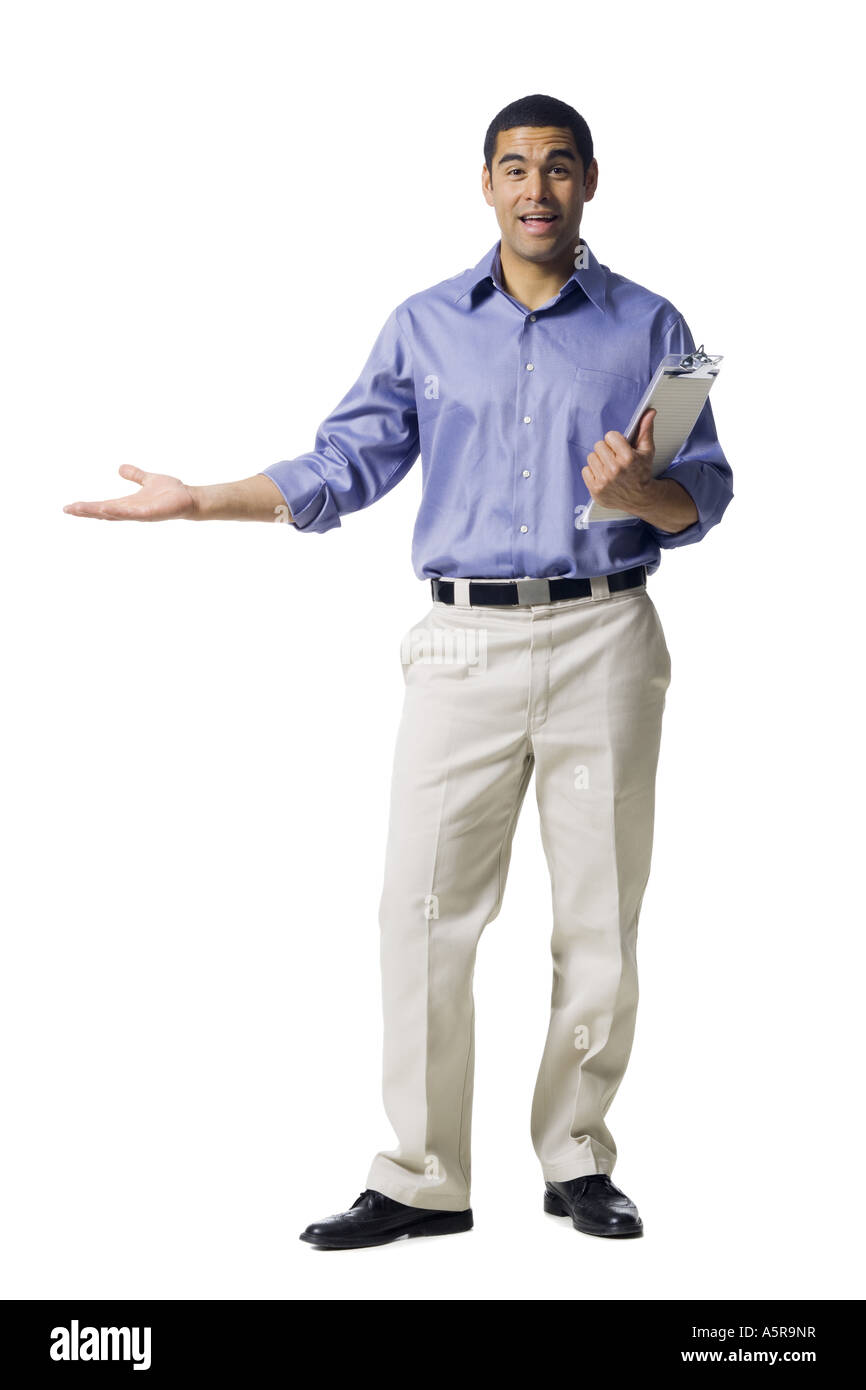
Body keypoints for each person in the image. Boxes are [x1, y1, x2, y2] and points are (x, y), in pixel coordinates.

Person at [64, 93, 733, 1251]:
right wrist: (199, 500)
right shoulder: (424, 325)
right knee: (417, 912)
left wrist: (639, 498)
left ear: (588, 183)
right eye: (513, 167)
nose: (535, 188)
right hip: (459, 644)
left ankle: (576, 1155)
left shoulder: (652, 326)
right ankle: (424, 1175)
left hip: (604, 637)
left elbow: (701, 497)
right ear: (484, 185)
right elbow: (343, 466)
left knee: (598, 920)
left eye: (557, 167)